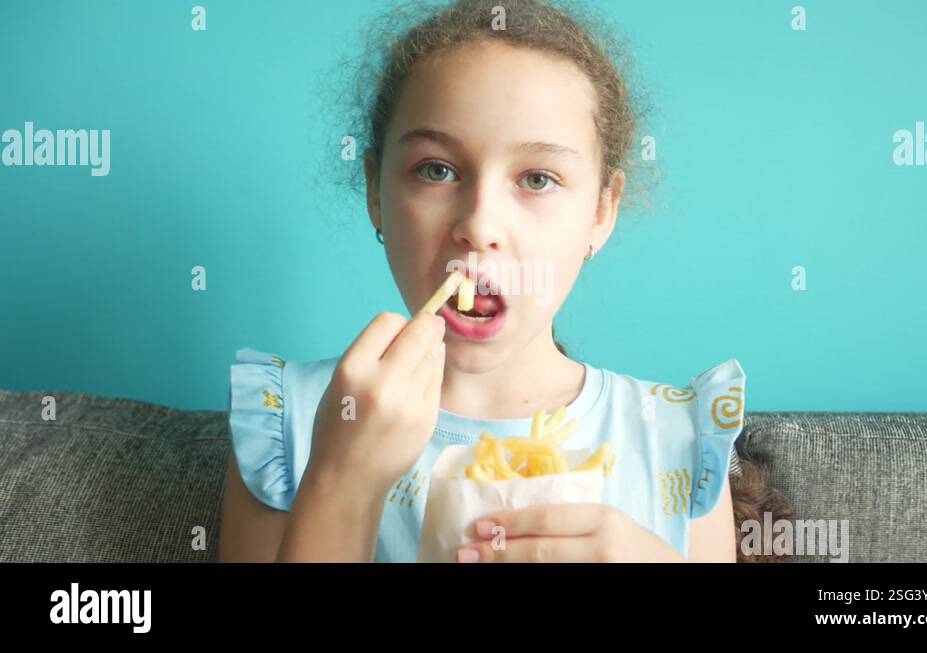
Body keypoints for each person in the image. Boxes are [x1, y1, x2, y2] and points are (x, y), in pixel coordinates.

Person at [220, 0, 791, 563]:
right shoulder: (290, 424)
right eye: (437, 170)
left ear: (601, 211)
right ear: (376, 191)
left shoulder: (676, 440)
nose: (479, 225)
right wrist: (342, 482)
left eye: (537, 179)